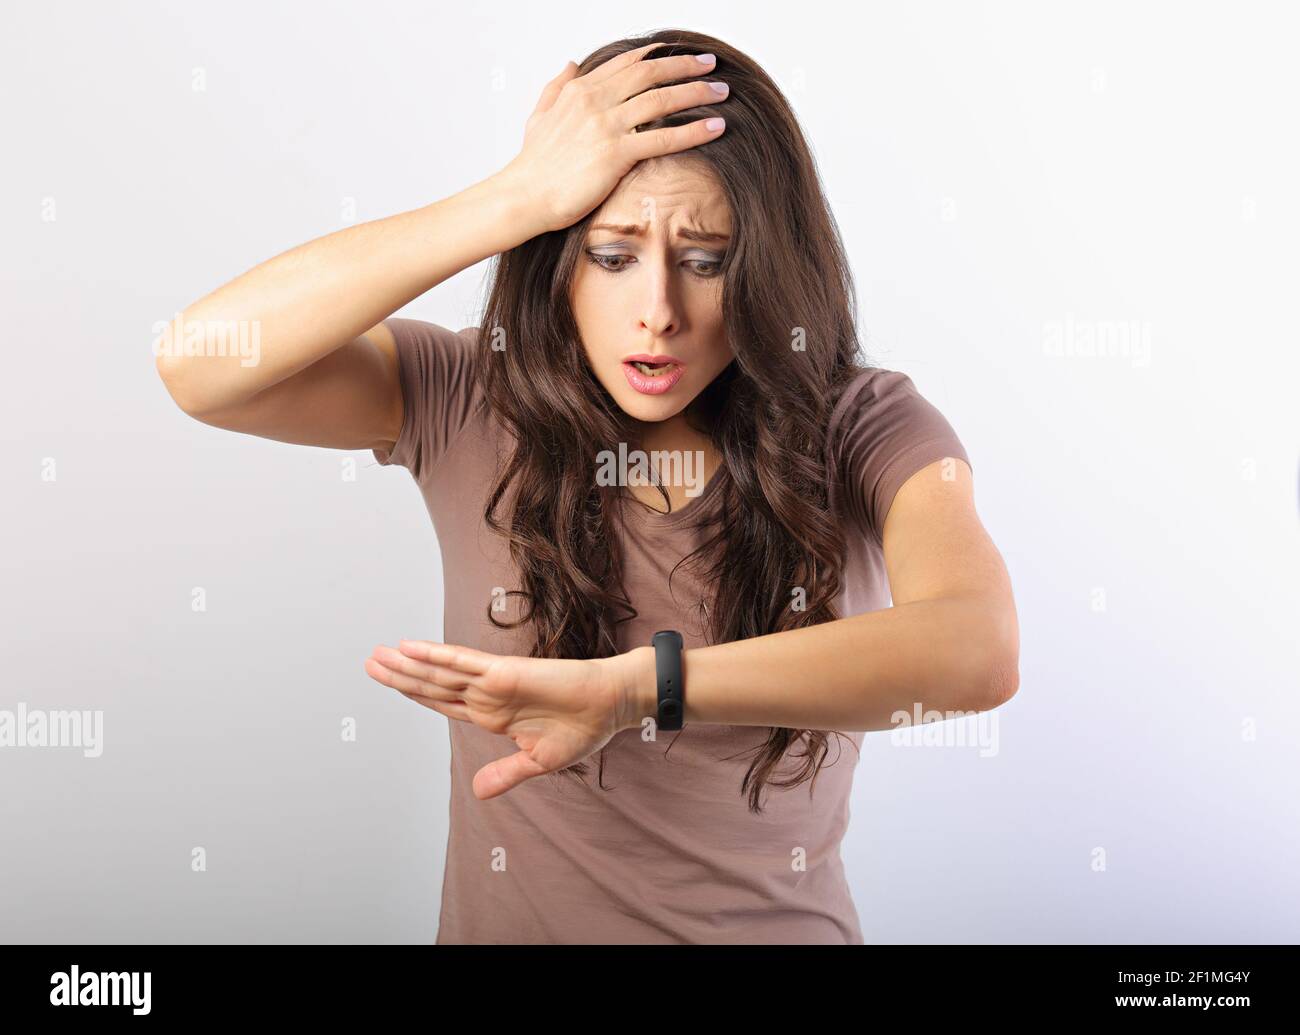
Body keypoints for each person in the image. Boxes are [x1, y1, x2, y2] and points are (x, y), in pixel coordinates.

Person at [155, 29, 1019, 945]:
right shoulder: (465, 397)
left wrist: (642, 688)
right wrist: (514, 195)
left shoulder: (859, 422)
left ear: (763, 269)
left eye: (705, 260)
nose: (658, 310)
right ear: (557, 260)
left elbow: (979, 647)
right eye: (612, 257)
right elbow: (199, 363)